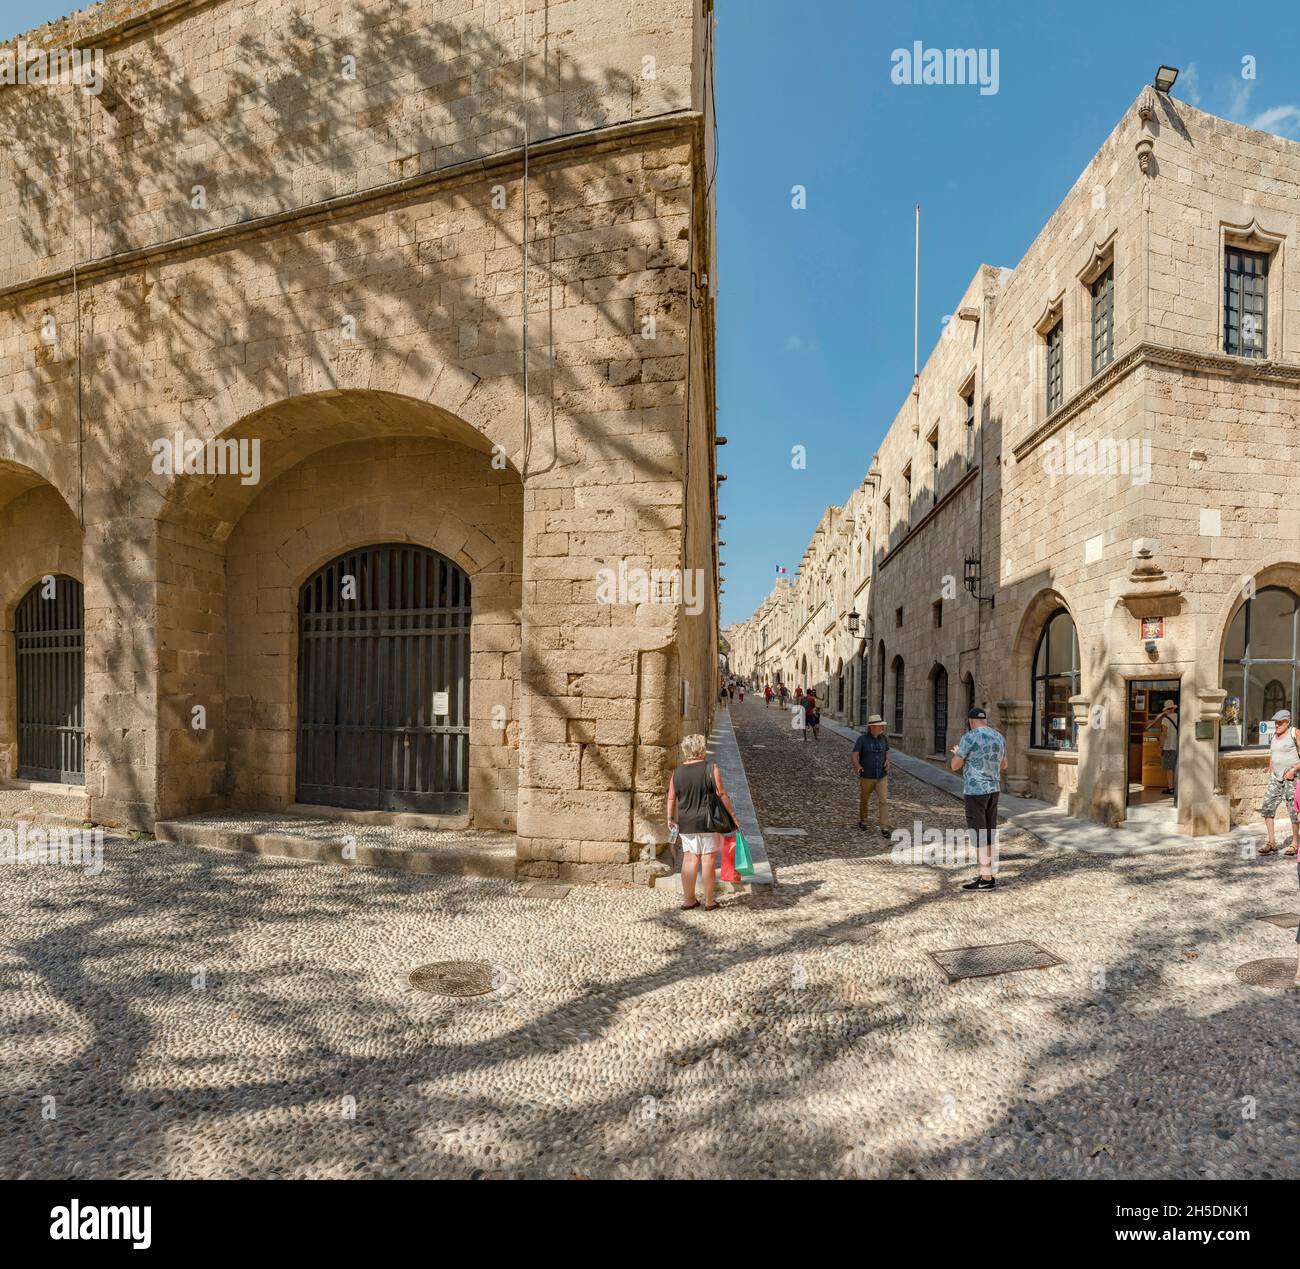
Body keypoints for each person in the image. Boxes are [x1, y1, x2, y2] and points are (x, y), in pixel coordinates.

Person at [665, 733, 739, 911]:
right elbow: (721, 794)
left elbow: (671, 798)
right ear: (701, 749)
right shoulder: (711, 768)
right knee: (708, 860)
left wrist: (669, 818)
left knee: (689, 860)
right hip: (708, 822)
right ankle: (709, 901)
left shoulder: (677, 772)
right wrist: (733, 815)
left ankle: (688, 900)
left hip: (686, 822)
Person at [950, 707, 1008, 891]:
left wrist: (959, 753)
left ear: (970, 721)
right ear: (985, 720)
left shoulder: (969, 737)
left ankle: (985, 878)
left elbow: (954, 766)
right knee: (988, 834)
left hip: (975, 791)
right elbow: (1004, 765)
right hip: (994, 790)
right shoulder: (999, 737)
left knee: (979, 835)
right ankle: (987, 874)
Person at [1261, 708, 1300, 856]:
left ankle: (1295, 843)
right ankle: (1272, 842)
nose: (1277, 725)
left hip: (1292, 778)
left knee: (1294, 811)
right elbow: (1273, 755)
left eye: (1280, 722)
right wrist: (1271, 770)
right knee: (1267, 807)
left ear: (1287, 722)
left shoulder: (1294, 733)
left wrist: (1293, 771)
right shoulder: (1273, 736)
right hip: (1276, 779)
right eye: (1276, 722)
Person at [852, 714, 891, 836]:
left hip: (881, 776)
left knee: (884, 801)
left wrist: (887, 760)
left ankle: (884, 827)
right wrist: (858, 767)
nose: (881, 728)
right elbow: (854, 755)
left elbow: (886, 752)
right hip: (867, 776)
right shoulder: (862, 739)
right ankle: (863, 821)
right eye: (879, 726)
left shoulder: (884, 739)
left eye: (881, 726)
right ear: (872, 727)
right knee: (864, 800)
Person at [1144, 698, 1179, 795]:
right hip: (1178, 746)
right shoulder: (1179, 717)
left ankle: (1171, 787)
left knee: (1169, 768)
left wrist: (1160, 747)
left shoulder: (1165, 719)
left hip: (1169, 746)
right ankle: (1177, 787)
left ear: (1166, 709)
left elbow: (1164, 734)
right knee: (1176, 767)